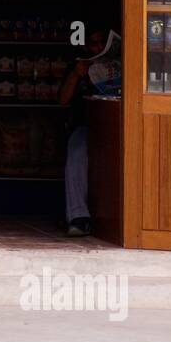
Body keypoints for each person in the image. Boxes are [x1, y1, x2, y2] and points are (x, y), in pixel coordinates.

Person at [57, 27, 121, 237]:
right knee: (76, 153)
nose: (98, 47)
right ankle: (78, 217)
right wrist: (77, 75)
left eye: (102, 43)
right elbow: (63, 100)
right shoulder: (79, 65)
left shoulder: (120, 63)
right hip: (87, 125)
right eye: (94, 44)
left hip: (120, 125)